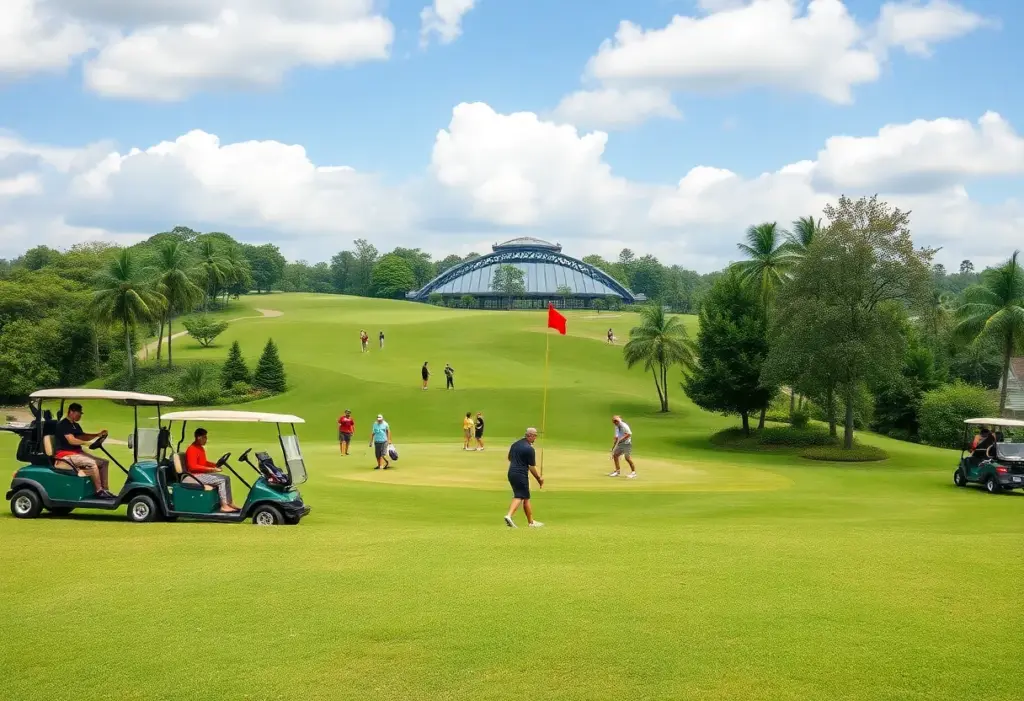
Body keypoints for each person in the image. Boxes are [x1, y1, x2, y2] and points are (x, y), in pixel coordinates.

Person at [54, 402, 114, 499]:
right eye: (78, 413)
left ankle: (105, 490)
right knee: (92, 463)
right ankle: (99, 491)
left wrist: (98, 435)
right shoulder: (63, 424)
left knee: (104, 463)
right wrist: (85, 443)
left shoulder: (75, 425)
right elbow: (72, 440)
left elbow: (83, 436)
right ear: (71, 412)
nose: (80, 416)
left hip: (77, 453)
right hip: (65, 455)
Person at [184, 428, 240, 512]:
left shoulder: (200, 448)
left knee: (226, 478)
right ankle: (224, 506)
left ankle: (229, 502)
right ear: (199, 438)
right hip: (195, 476)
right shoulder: (192, 449)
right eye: (204, 437)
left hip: (201, 474)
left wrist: (214, 465)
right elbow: (193, 466)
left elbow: (203, 462)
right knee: (222, 480)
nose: (206, 440)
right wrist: (211, 469)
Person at [504, 428, 544, 528]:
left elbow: (509, 458)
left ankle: (531, 522)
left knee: (526, 497)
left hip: (511, 473)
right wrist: (539, 479)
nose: (535, 438)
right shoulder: (529, 449)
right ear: (529, 435)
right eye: (535, 436)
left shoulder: (515, 444)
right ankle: (509, 516)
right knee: (519, 496)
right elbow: (531, 467)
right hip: (520, 474)